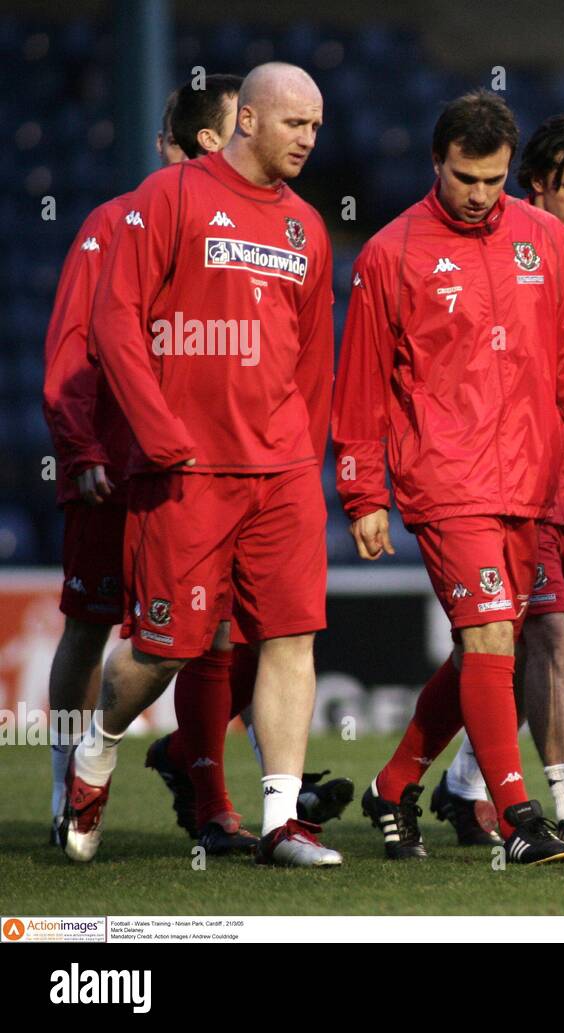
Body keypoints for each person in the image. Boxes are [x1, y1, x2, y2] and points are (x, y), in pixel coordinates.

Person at [333, 90, 564, 866]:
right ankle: (521, 815)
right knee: (494, 631)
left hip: (528, 483)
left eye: (494, 180)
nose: (479, 195)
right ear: (437, 164)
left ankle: (394, 782)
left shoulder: (543, 239)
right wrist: (364, 494)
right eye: (466, 177)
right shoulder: (391, 256)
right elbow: (360, 388)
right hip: (445, 481)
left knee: (481, 650)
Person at [65, 63, 339, 866]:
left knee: (291, 637)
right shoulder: (171, 197)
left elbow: (314, 359)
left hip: (282, 472)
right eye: (295, 123)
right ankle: (100, 745)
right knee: (163, 647)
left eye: (317, 127)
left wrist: (306, 457)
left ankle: (283, 819)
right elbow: (115, 323)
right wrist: (158, 432)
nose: (309, 139)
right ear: (246, 119)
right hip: (185, 470)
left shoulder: (308, 227)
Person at [433, 114, 564, 850]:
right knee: (540, 635)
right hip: (513, 478)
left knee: (513, 646)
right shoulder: (508, 251)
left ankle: (453, 780)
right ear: (538, 185)